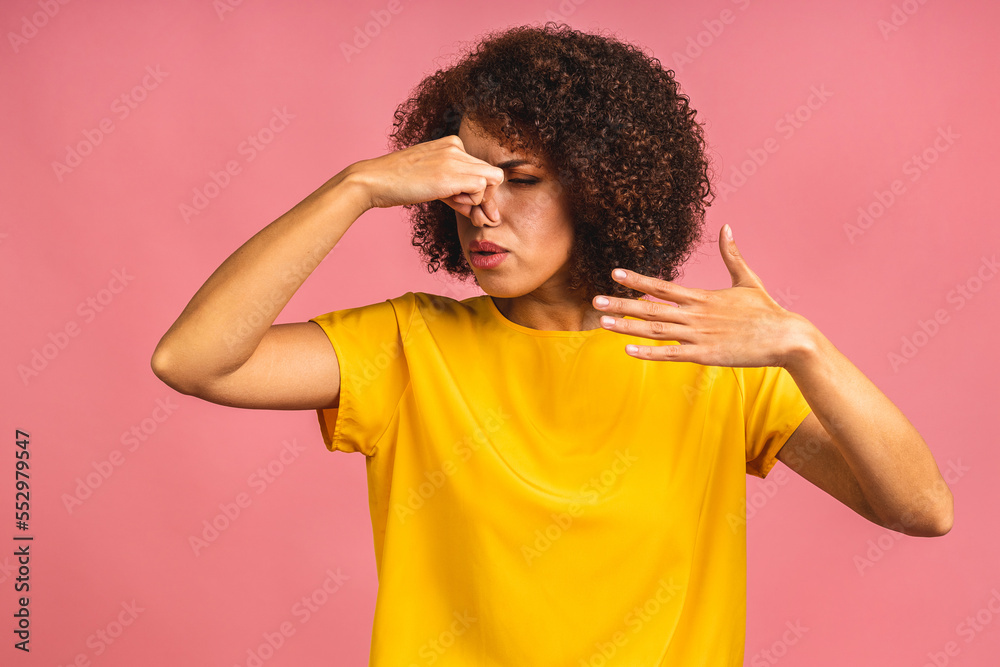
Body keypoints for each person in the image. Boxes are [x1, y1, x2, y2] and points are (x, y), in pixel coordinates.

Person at [151, 22, 954, 666]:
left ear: (599, 185)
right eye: (463, 177)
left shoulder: (709, 353)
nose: (479, 207)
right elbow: (191, 359)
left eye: (521, 178)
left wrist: (802, 345)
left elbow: (922, 509)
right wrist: (357, 186)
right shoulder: (406, 345)